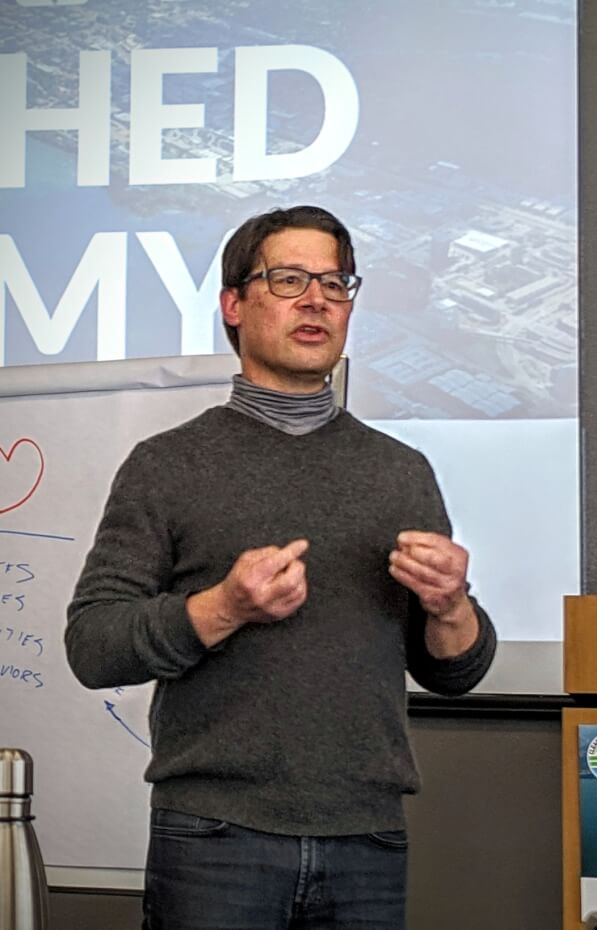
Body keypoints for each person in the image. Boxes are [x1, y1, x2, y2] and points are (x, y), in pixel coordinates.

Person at [64, 205, 497, 930]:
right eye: (289, 279)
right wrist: (225, 607)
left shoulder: (401, 472)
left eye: (335, 283)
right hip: (214, 837)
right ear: (234, 305)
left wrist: (452, 607)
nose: (317, 300)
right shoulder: (166, 466)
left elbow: (454, 673)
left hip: (368, 837)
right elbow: (93, 645)